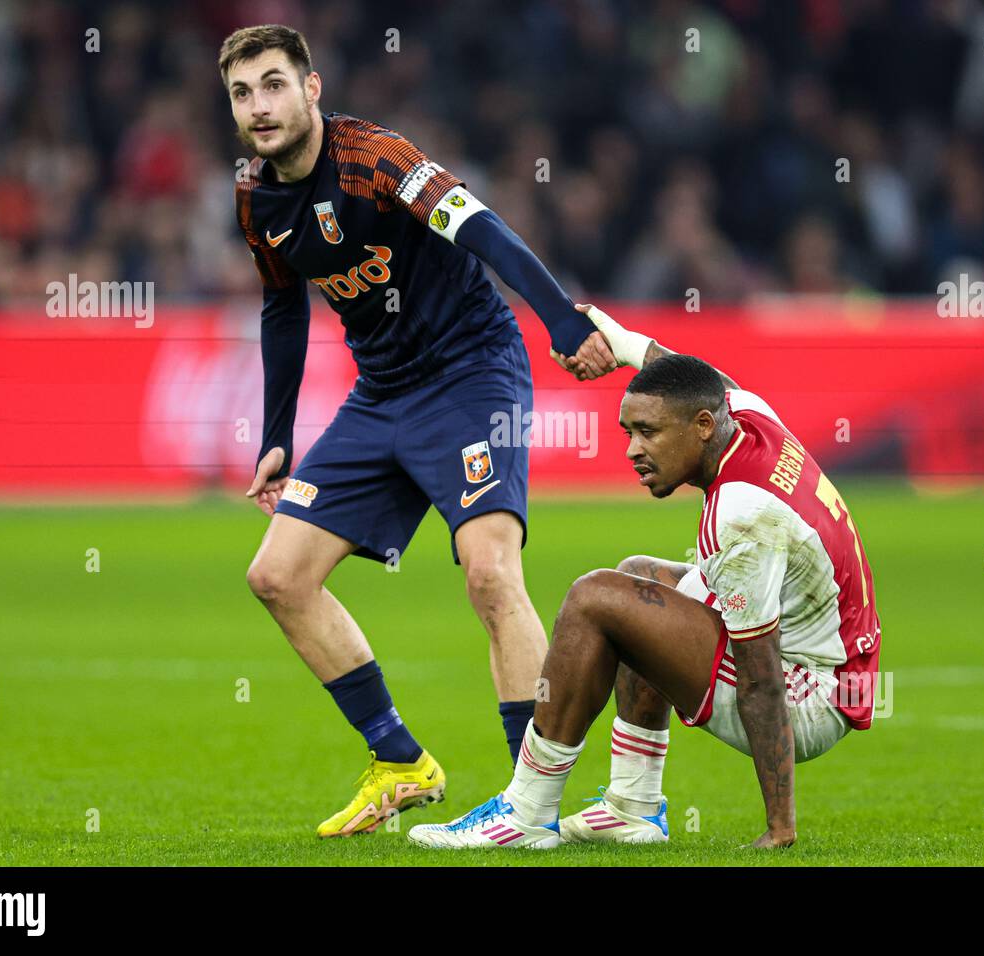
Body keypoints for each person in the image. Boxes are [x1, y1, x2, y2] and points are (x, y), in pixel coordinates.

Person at [221, 24, 617, 837]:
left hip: (472, 373)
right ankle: (400, 761)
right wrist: (276, 433)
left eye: (271, 84)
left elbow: (486, 230)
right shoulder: (256, 199)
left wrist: (561, 322)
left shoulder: (376, 158)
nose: (258, 106)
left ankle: (529, 801)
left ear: (311, 88)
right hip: (383, 394)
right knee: (278, 575)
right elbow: (281, 304)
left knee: (490, 573)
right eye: (241, 92)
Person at [409, 307, 882, 849]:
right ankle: (633, 807)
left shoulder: (744, 513)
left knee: (595, 599)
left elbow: (760, 678)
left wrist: (780, 827)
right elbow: (691, 373)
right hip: (835, 662)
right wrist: (619, 339)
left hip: (810, 694)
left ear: (703, 427)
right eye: (629, 431)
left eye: (649, 432)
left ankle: (526, 812)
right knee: (636, 580)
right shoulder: (749, 418)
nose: (633, 450)